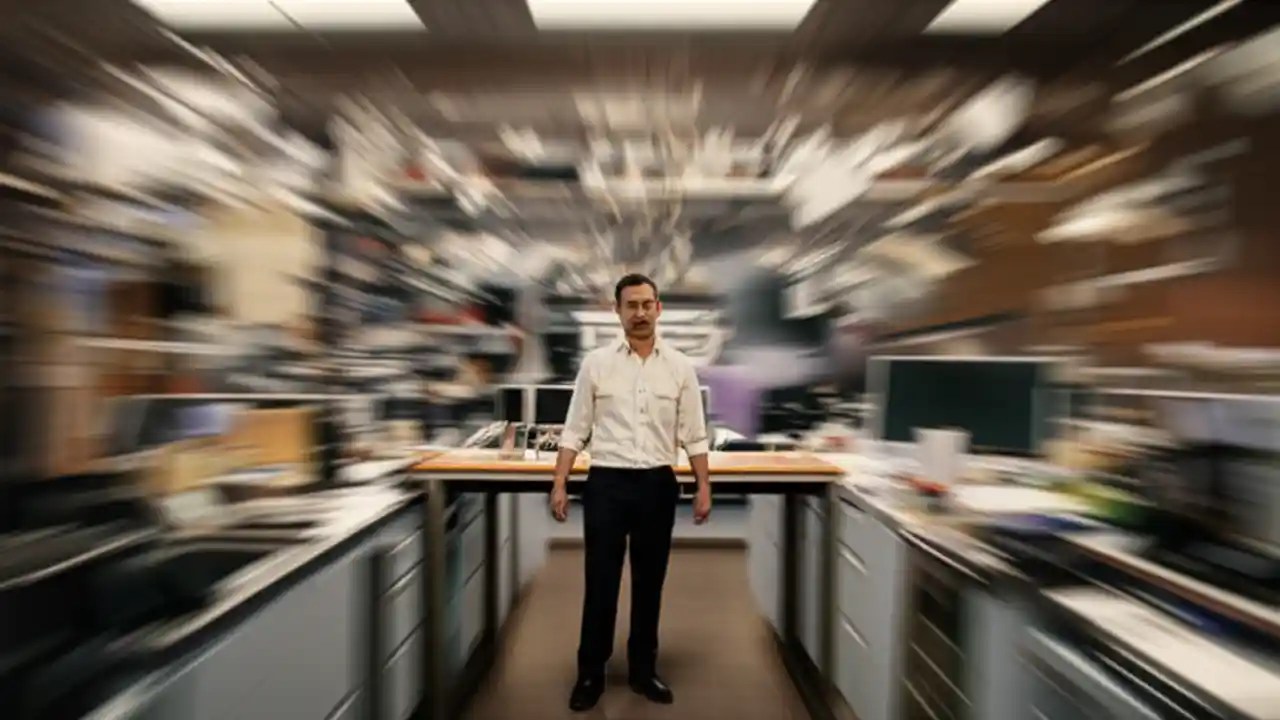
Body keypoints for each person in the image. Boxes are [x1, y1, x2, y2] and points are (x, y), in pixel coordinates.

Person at [550, 273, 711, 712]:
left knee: (649, 584)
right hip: (607, 485)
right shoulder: (597, 365)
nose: (639, 313)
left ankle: (644, 671)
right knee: (599, 583)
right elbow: (575, 429)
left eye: (646, 304)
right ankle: (590, 674)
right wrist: (560, 481)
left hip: (658, 485)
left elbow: (694, 434)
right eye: (631, 305)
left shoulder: (679, 366)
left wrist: (703, 487)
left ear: (659, 309)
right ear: (617, 311)